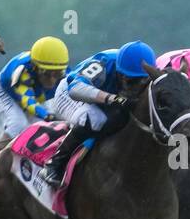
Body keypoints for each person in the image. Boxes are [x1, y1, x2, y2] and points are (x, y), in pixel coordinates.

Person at [39, 39, 157, 184]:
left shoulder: (151, 70)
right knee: (94, 118)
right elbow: (75, 89)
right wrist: (112, 99)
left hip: (103, 99)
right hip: (71, 94)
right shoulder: (105, 62)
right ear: (119, 71)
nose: (136, 87)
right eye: (130, 80)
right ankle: (54, 164)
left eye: (142, 81)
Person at [0, 36, 70, 138]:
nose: (52, 80)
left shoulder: (67, 74)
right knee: (17, 123)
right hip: (4, 90)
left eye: (57, 74)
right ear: (34, 67)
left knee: (44, 127)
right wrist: (47, 115)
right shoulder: (23, 72)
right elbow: (27, 101)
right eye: (46, 73)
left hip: (34, 93)